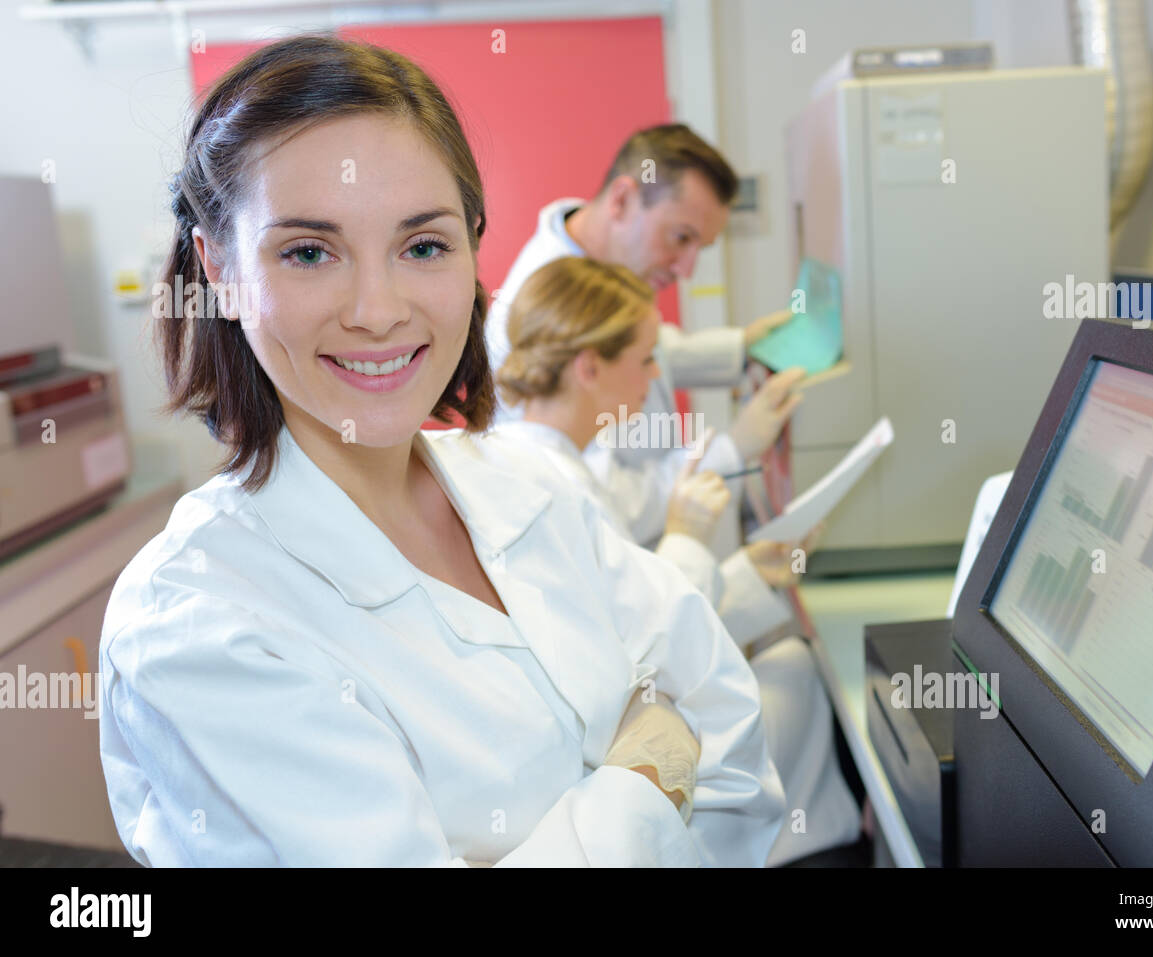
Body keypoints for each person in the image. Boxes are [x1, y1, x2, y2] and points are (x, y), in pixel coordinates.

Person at [97, 33, 782, 868]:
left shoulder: (528, 482)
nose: (378, 310)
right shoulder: (201, 623)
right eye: (309, 252)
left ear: (471, 249)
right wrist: (648, 769)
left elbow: (742, 771)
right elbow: (693, 745)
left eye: (422, 246)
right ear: (218, 267)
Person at [494, 256, 863, 865]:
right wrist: (689, 539)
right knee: (792, 676)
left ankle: (817, 843)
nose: (651, 378)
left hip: (611, 733)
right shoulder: (552, 486)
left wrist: (747, 567)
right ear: (589, 368)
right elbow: (641, 657)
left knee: (791, 664)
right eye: (644, 360)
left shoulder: (565, 461)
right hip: (609, 763)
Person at [485, 124, 802, 544]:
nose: (686, 270)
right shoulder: (536, 312)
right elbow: (607, 503)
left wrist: (740, 349)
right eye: (680, 238)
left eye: (698, 249)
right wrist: (730, 451)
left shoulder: (602, 267)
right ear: (621, 200)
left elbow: (633, 348)